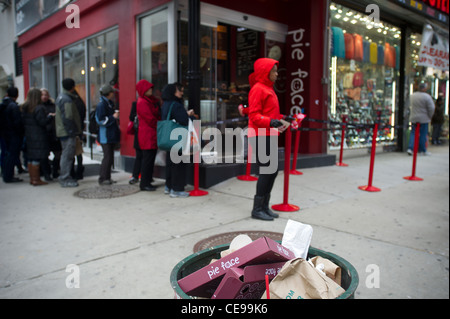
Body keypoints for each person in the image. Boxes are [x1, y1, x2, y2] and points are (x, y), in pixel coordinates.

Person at [248, 58, 293, 221]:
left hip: (269, 134)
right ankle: (257, 208)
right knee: (267, 171)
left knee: (272, 172)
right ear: (265, 72)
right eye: (273, 71)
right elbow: (254, 115)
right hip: (260, 135)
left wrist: (282, 117)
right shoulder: (258, 89)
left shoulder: (268, 89)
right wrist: (271, 121)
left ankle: (264, 206)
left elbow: (270, 114)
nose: (276, 74)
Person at [161, 82, 195, 198]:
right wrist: (190, 115)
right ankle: (177, 189)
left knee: (170, 163)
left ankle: (169, 186)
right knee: (178, 163)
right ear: (173, 92)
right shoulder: (176, 105)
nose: (181, 92)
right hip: (178, 137)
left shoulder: (166, 104)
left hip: (169, 138)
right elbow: (184, 120)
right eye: (178, 90)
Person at [21, 88, 52, 186]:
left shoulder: (25, 107)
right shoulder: (38, 108)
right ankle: (36, 179)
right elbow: (42, 122)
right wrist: (49, 117)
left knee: (31, 157)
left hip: (30, 135)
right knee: (37, 158)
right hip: (39, 135)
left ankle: (33, 178)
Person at [55, 78, 82, 188]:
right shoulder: (67, 100)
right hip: (67, 132)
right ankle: (65, 178)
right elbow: (68, 117)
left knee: (66, 155)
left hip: (63, 131)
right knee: (67, 155)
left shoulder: (61, 97)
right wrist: (73, 132)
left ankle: (65, 176)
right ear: (72, 87)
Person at [136, 79, 160, 192]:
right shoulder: (142, 102)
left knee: (149, 159)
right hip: (148, 135)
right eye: (148, 88)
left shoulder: (148, 101)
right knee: (147, 160)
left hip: (150, 134)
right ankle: (145, 183)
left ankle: (147, 181)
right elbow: (150, 119)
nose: (151, 89)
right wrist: (160, 125)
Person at [96, 84, 121, 185]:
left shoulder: (108, 103)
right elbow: (100, 120)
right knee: (107, 157)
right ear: (109, 93)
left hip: (110, 135)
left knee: (109, 157)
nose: (113, 94)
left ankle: (107, 177)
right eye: (112, 92)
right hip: (105, 136)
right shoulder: (102, 105)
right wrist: (113, 117)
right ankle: (103, 178)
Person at [1, 87, 24, 183]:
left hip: (4, 134)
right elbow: (17, 123)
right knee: (12, 155)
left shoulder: (3, 105)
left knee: (6, 154)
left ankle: (5, 174)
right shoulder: (13, 106)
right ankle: (9, 176)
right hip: (13, 135)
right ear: (17, 95)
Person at [407, 83, 435, 156]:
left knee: (413, 133)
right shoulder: (427, 97)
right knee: (423, 134)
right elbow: (431, 108)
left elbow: (408, 106)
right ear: (424, 88)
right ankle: (422, 149)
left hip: (414, 117)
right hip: (424, 118)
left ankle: (410, 148)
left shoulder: (412, 96)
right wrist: (430, 116)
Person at [40, 88, 61, 180]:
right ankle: (47, 173)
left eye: (46, 94)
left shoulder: (53, 105)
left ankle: (55, 171)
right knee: (45, 155)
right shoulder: (38, 107)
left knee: (58, 153)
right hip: (44, 134)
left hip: (54, 133)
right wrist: (49, 117)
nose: (44, 96)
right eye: (42, 95)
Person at [128, 100, 142, 185]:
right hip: (139, 133)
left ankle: (147, 176)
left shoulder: (152, 102)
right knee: (139, 156)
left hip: (147, 134)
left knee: (147, 157)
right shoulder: (136, 103)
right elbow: (131, 117)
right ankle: (135, 176)